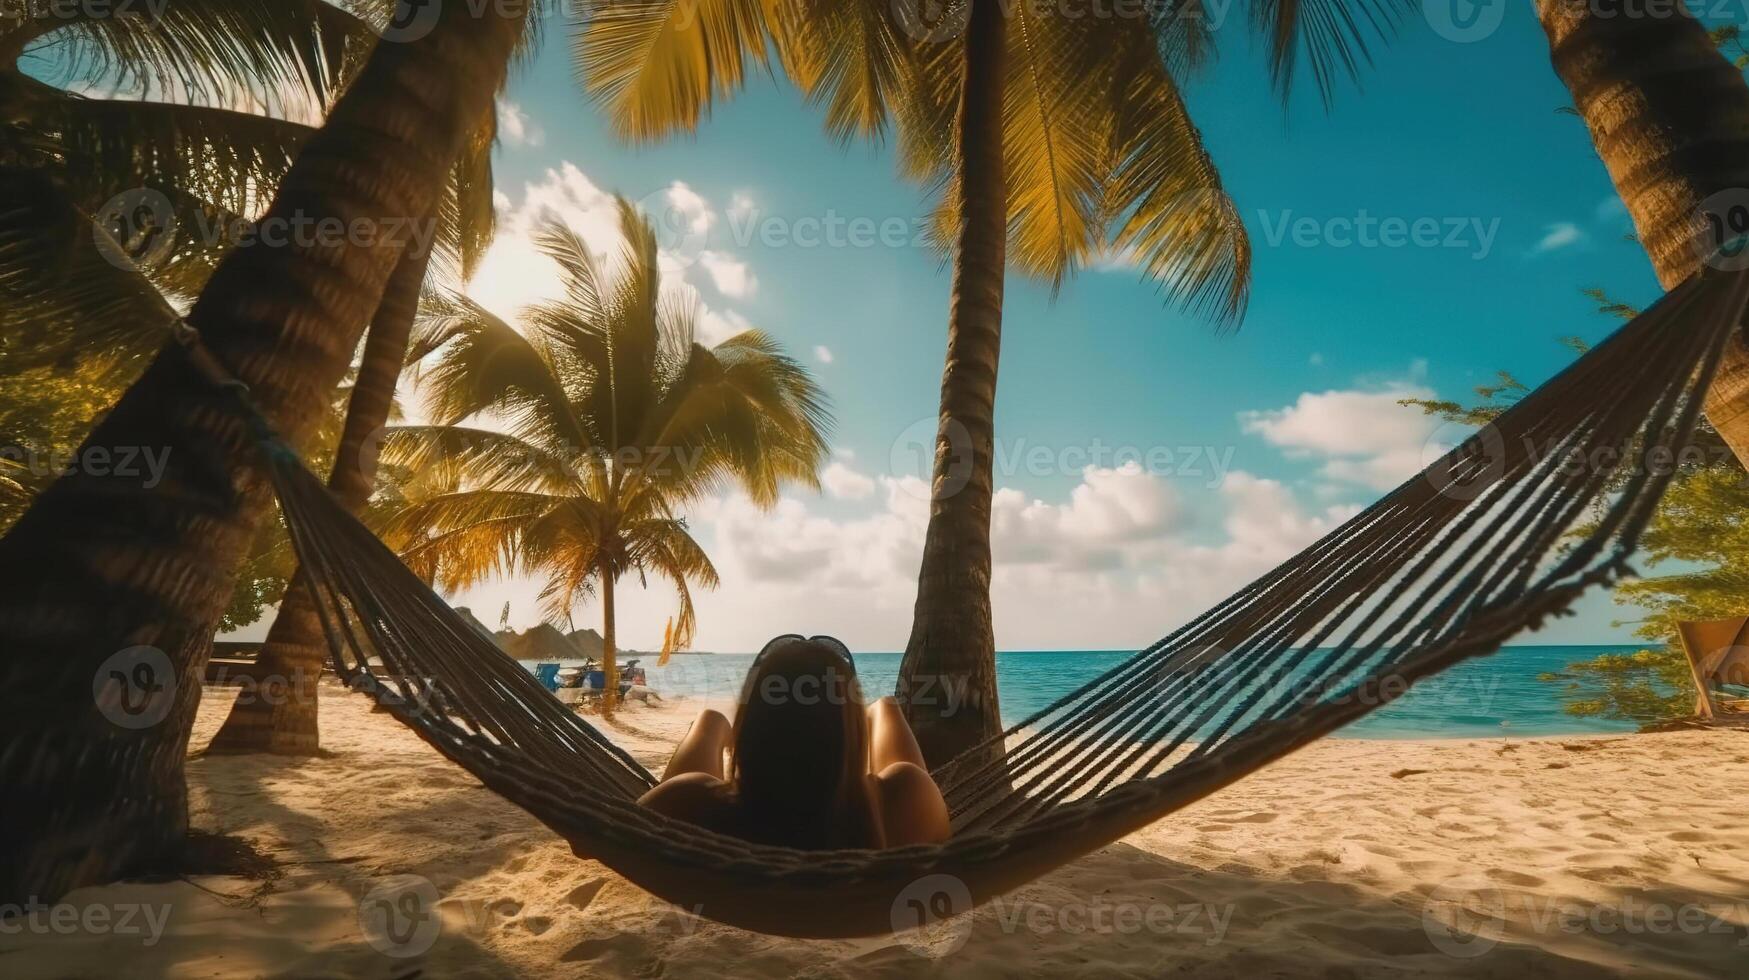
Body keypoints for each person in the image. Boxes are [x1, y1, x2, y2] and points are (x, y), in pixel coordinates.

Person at [637, 635, 951, 850]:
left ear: (752, 730)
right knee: (886, 707)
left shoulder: (691, 805)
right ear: (850, 734)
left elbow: (622, 831)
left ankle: (721, 725)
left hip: (737, 820)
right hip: (872, 819)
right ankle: (868, 713)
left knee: (710, 720)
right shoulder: (907, 803)